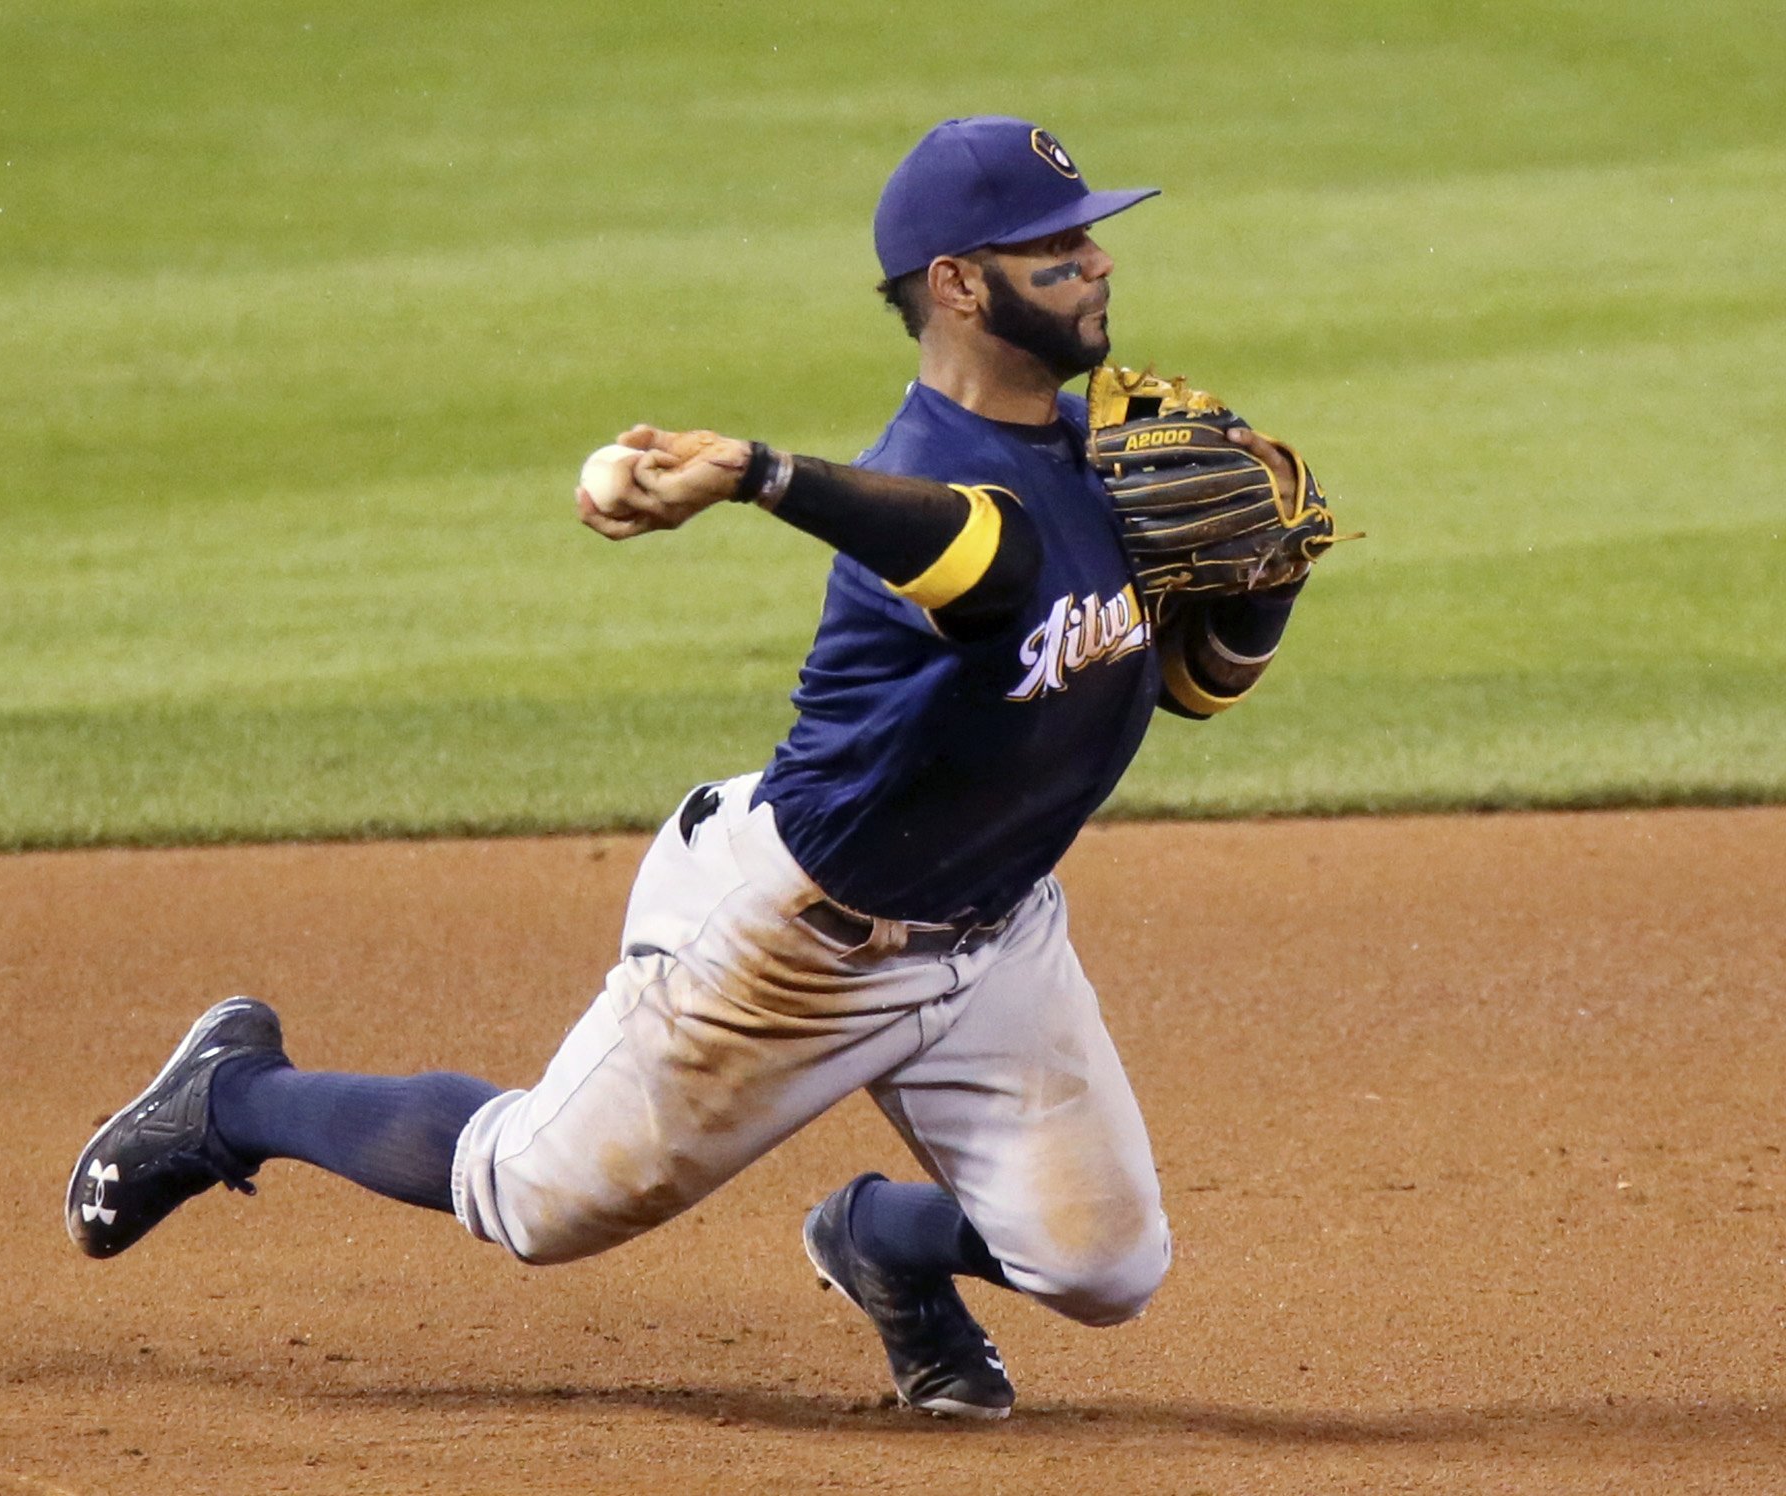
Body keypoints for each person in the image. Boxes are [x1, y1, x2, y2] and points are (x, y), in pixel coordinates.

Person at [66, 115, 1310, 1420]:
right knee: (532, 1199)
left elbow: (1190, 688)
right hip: (797, 944)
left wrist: (1267, 583)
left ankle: (878, 1243)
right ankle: (233, 1094)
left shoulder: (1111, 462)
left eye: (1090, 234)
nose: (1097, 260)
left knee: (1102, 1268)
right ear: (957, 283)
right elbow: (981, 556)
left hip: (998, 937)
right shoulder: (928, 487)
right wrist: (759, 475)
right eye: (1055, 245)